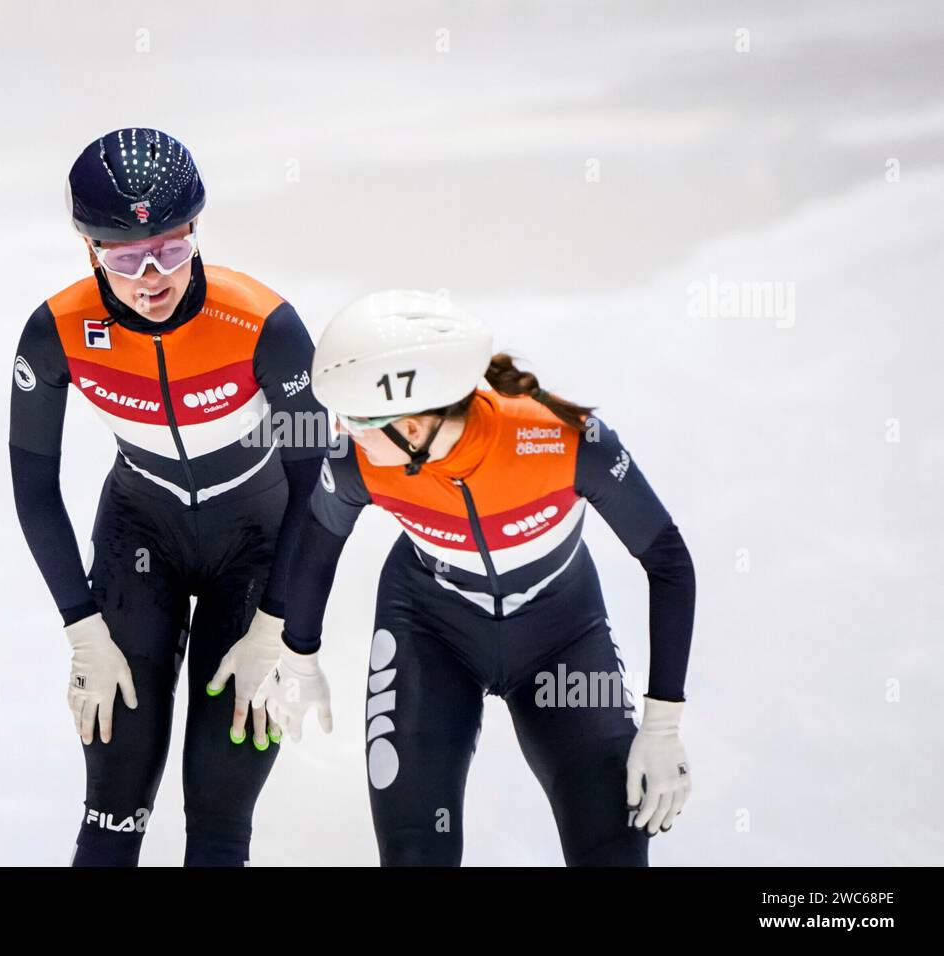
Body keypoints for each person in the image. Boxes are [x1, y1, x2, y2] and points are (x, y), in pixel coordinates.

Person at [255, 290, 696, 866]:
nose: (342, 433)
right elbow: (320, 540)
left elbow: (668, 563)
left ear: (411, 427)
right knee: (416, 855)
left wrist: (662, 725)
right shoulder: (360, 459)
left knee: (612, 852)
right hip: (430, 635)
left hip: (562, 640)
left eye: (356, 420)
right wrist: (298, 656)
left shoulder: (563, 441)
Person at [9, 128, 328, 866]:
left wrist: (281, 628)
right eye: (125, 257)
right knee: (113, 809)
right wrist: (82, 630)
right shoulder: (55, 332)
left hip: (257, 551)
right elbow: (33, 488)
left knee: (218, 822)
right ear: (89, 250)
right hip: (138, 542)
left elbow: (322, 483)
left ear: (195, 233)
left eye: (172, 249)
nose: (151, 276)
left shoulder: (263, 323)